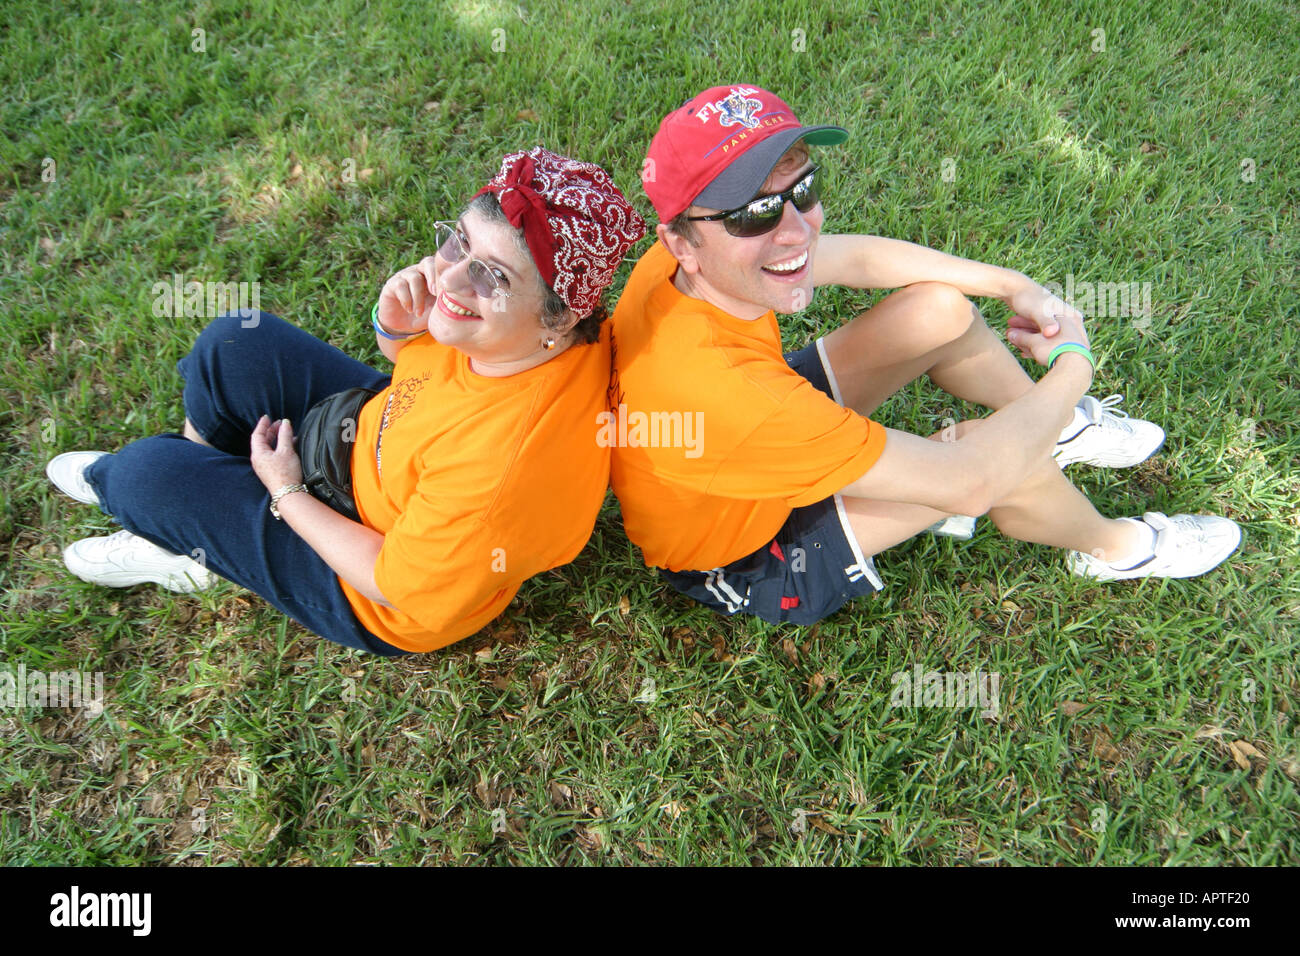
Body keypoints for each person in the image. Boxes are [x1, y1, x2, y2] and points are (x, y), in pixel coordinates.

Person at [607, 84, 1240, 625]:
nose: (798, 230)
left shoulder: (690, 257)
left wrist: (1009, 283)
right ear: (682, 239)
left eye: (802, 190)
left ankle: (1058, 429)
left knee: (939, 310)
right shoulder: (735, 397)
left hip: (743, 438)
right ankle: (1118, 547)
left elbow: (856, 257)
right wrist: (1074, 364)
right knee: (988, 458)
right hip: (744, 555)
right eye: (757, 214)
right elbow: (971, 486)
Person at [46, 147, 646, 655]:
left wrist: (286, 492)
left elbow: (392, 582)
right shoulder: (525, 333)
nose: (450, 281)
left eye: (492, 277)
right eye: (458, 242)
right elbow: (419, 370)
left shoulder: (505, 473)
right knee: (237, 340)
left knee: (144, 477)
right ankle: (197, 524)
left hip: (368, 580)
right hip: (369, 443)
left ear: (561, 316)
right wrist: (395, 329)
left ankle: (178, 534)